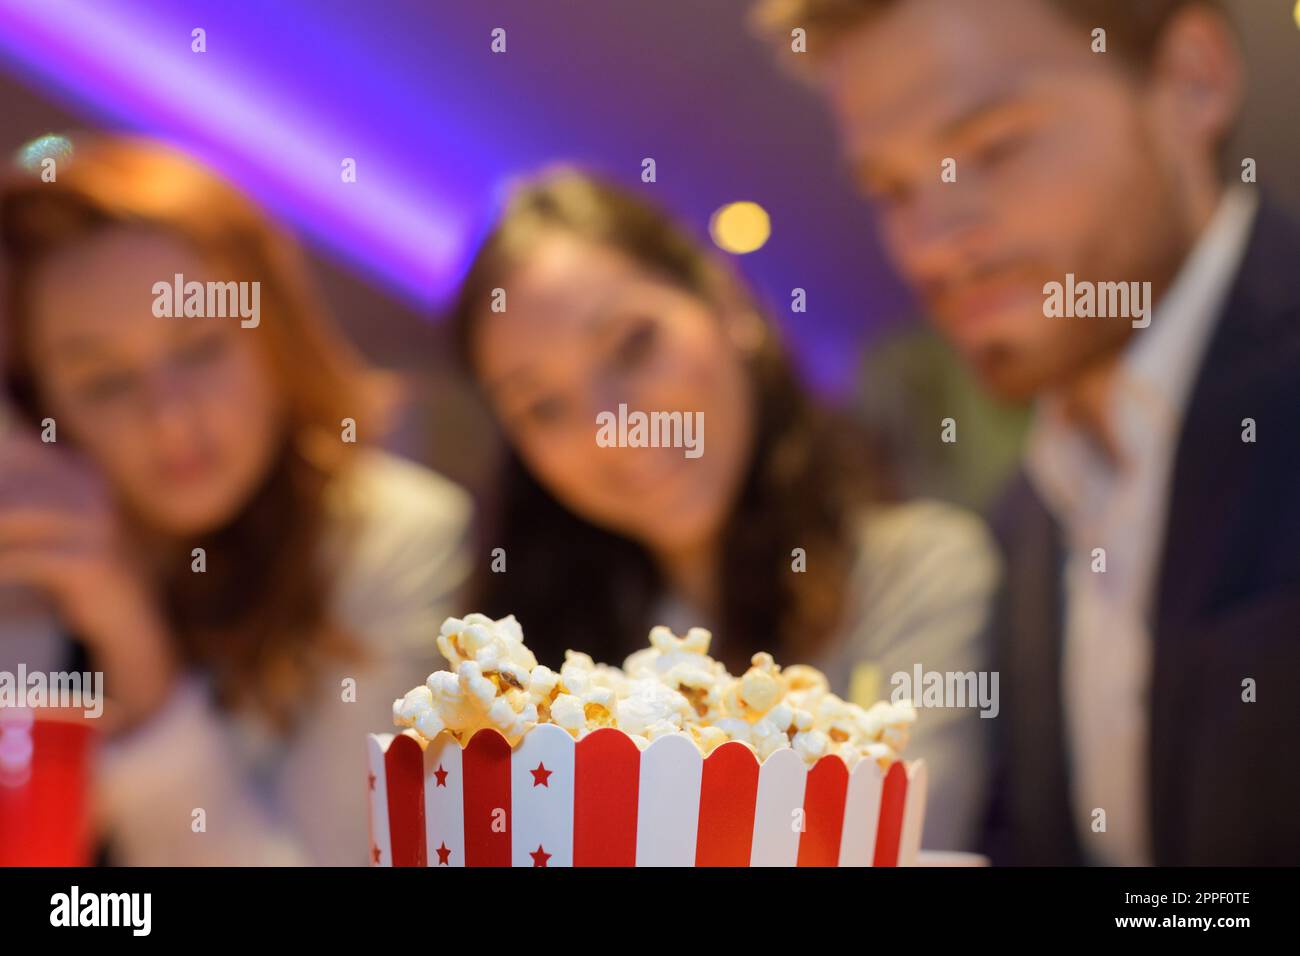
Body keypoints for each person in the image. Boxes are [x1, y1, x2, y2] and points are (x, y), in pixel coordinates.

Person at [753, 0, 1300, 864]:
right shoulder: (1024, 520)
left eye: (993, 148)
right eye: (891, 189)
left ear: (1193, 82)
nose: (933, 245)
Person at [450, 168, 1001, 851]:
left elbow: (895, 844)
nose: (612, 429)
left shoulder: (918, 573)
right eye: (543, 406)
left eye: (632, 345)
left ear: (727, 303)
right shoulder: (536, 676)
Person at [0, 135, 472, 865]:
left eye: (200, 349)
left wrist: (130, 634)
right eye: (103, 383)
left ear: (275, 335)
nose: (170, 421)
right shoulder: (35, 561)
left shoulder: (394, 538)